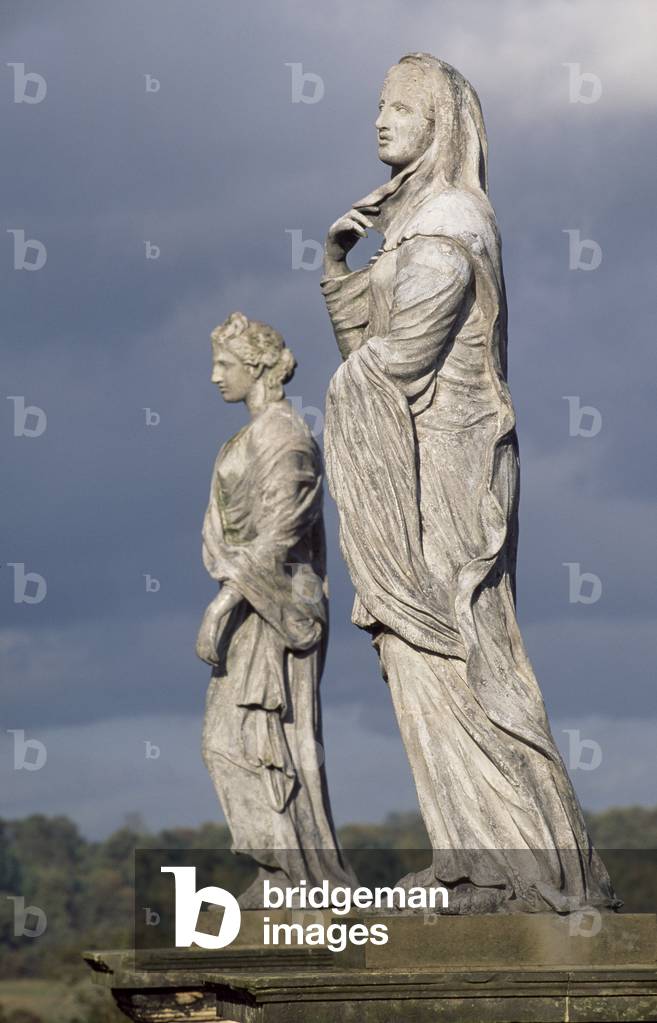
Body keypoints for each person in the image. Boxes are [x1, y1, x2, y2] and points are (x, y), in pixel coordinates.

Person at [321, 54, 618, 913]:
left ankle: (528, 862)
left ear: (440, 123)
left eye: (400, 108)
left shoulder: (451, 219)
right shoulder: (410, 222)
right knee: (417, 653)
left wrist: (368, 324)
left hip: (452, 466)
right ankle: (474, 858)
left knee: (460, 647)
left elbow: (400, 357)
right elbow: (374, 360)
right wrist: (340, 267)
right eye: (376, 103)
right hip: (412, 454)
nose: (380, 120)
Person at [197, 311, 354, 904]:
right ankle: (281, 872)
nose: (215, 376)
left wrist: (223, 603)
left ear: (258, 367)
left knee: (263, 738)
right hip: (251, 606)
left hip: (277, 607)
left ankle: (300, 877)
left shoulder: (285, 436)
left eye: (224, 364)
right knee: (232, 742)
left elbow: (282, 531)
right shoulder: (248, 435)